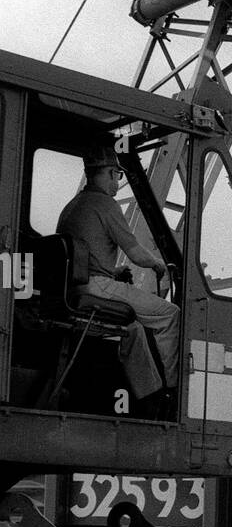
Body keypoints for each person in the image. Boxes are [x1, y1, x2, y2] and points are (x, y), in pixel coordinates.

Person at [57, 147, 179, 406]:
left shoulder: (72, 206)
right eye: (117, 176)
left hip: (75, 288)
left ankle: (148, 395)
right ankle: (172, 392)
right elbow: (136, 254)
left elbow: (80, 258)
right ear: (111, 173)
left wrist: (113, 272)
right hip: (96, 287)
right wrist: (158, 264)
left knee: (133, 329)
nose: (117, 183)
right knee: (170, 314)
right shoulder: (106, 204)